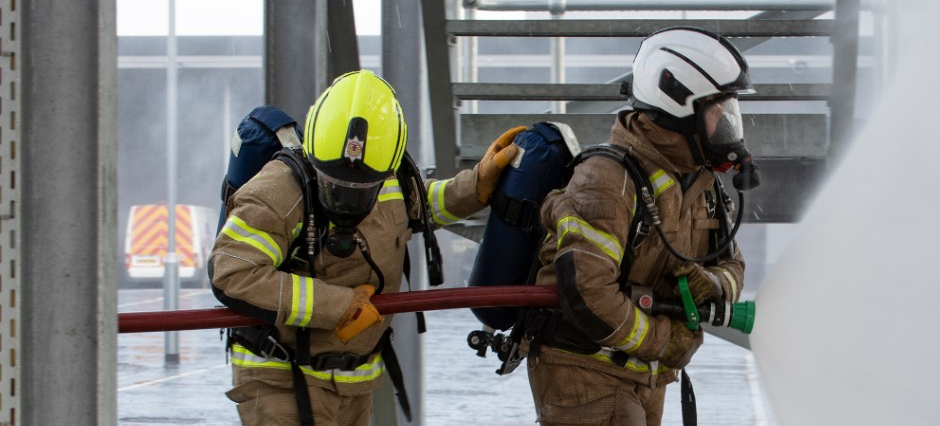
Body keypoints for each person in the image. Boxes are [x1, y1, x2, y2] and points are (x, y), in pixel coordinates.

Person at [210, 69, 521, 426]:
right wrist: (337, 306)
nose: (346, 199)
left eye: (361, 189)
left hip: (354, 377)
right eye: (333, 185)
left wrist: (475, 185)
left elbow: (417, 206)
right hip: (282, 376)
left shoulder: (387, 174)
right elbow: (233, 272)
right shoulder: (276, 191)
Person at [521, 27, 757, 425]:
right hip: (585, 371)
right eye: (720, 112)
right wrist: (665, 342)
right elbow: (588, 295)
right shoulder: (607, 180)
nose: (730, 128)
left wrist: (713, 285)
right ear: (679, 104)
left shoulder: (701, 184)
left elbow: (734, 265)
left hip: (647, 374)